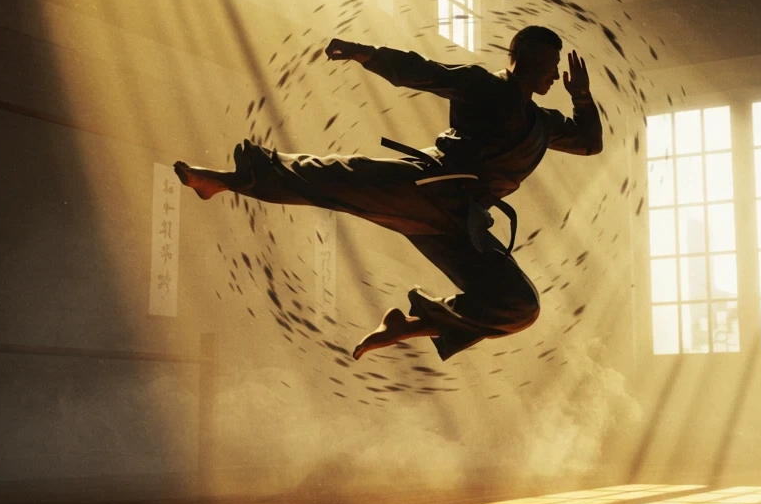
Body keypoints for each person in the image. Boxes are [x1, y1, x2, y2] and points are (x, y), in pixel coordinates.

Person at [175, 25, 604, 361]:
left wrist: (582, 98)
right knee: (337, 178)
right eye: (550, 64)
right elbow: (427, 72)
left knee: (520, 306)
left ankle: (405, 326)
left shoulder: (544, 124)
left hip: (463, 224)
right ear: (523, 57)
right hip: (428, 186)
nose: (554, 75)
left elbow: (590, 143)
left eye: (556, 68)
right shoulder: (485, 86)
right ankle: (225, 179)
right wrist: (368, 54)